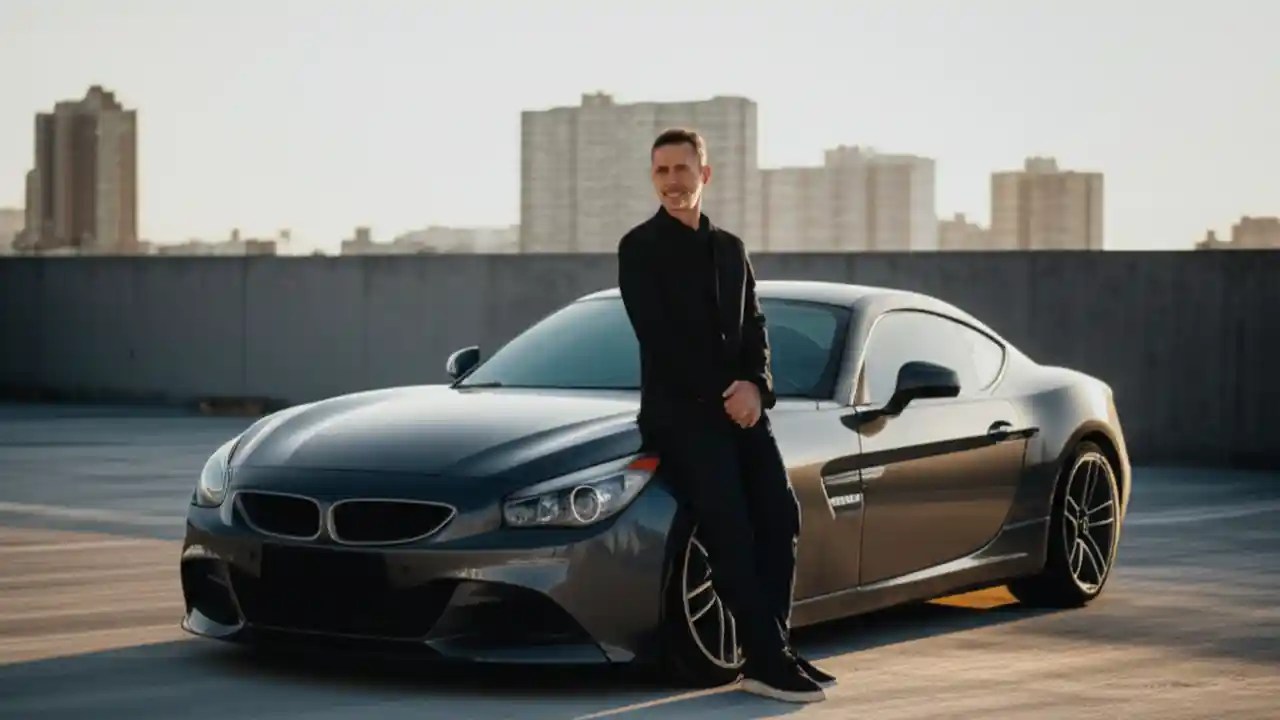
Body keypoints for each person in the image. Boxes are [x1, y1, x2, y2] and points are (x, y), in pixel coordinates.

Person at [616, 128, 834, 704]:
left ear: (704, 174)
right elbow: (660, 340)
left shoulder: (731, 249)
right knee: (730, 531)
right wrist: (726, 392)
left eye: (682, 170)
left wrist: (757, 389)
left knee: (780, 516)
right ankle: (766, 657)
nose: (671, 182)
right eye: (660, 171)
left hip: (744, 412)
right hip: (682, 417)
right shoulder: (638, 249)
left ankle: (773, 652)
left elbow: (755, 328)